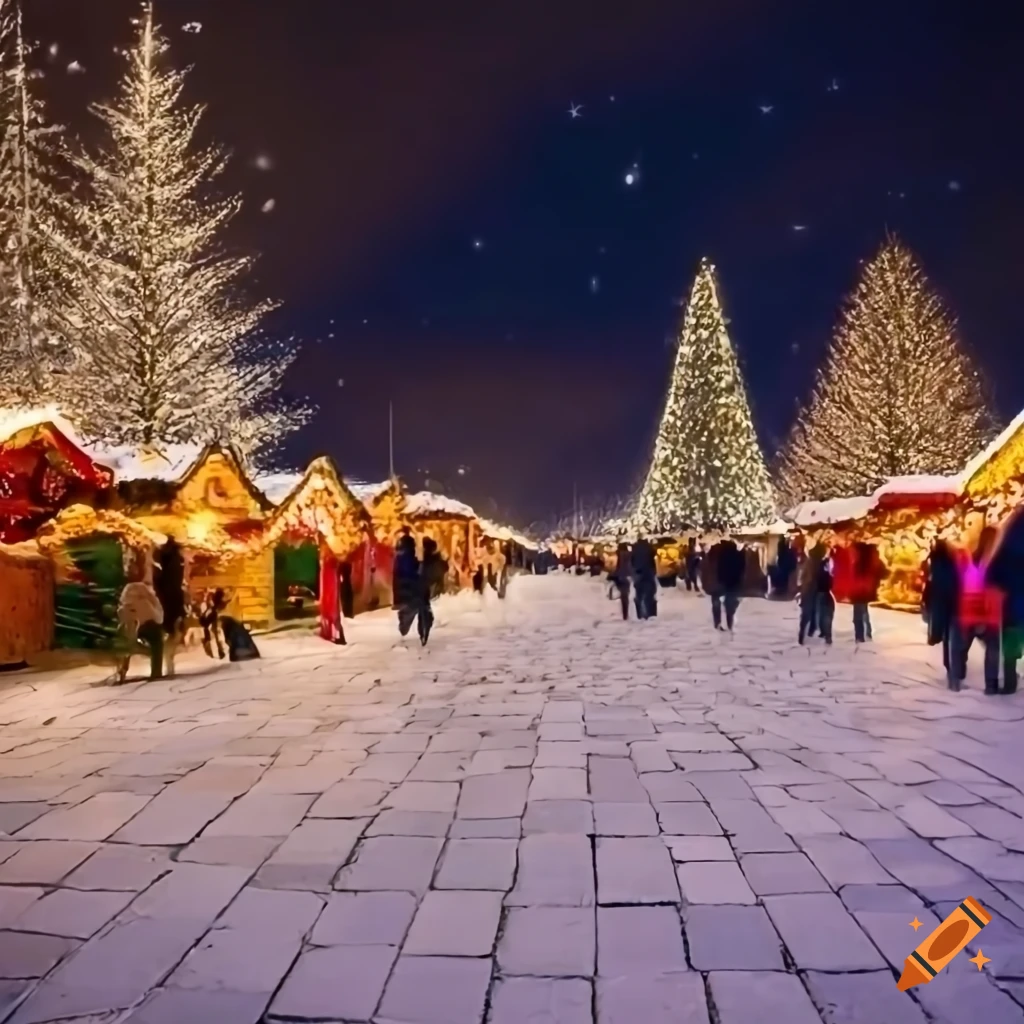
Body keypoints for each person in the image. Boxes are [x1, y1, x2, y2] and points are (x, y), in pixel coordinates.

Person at [949, 527, 1002, 693]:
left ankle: (956, 680)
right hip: (986, 612)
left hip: (967, 611)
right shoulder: (995, 563)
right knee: (992, 650)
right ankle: (991, 686)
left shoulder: (969, 558)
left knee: (960, 648)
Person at [987, 508, 1024, 695]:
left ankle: (1010, 681)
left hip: (1013, 603)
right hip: (1016, 601)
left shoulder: (1008, 545)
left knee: (1010, 641)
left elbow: (994, 572)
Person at [114, 559, 164, 684]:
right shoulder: (143, 589)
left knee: (127, 641)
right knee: (157, 640)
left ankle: (123, 668)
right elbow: (155, 606)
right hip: (146, 625)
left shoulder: (125, 591)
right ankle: (156, 671)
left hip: (128, 628)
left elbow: (121, 609)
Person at [153, 537, 187, 678]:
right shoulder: (177, 561)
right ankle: (168, 664)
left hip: (167, 601)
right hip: (173, 601)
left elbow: (159, 579)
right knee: (173, 634)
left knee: (171, 635)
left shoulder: (168, 560)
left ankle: (167, 664)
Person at [924, 540, 958, 672]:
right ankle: (952, 663)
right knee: (951, 632)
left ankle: (947, 661)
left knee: (942, 628)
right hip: (952, 598)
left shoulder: (932, 561)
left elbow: (930, 579)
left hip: (938, 597)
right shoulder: (952, 561)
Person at [849, 542, 887, 643]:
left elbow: (858, 579)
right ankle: (866, 633)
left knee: (858, 616)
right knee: (863, 612)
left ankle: (860, 637)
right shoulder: (868, 560)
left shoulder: (861, 562)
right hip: (865, 591)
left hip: (860, 591)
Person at [393, 529, 421, 638]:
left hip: (402, 582)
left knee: (408, 605)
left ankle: (404, 623)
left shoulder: (399, 556)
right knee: (410, 605)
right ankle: (404, 623)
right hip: (408, 582)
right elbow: (410, 570)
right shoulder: (407, 556)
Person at [419, 537, 447, 645]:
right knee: (427, 612)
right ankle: (425, 634)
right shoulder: (435, 558)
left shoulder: (425, 559)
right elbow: (444, 568)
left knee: (423, 612)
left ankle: (423, 634)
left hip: (423, 588)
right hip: (431, 587)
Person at [798, 542, 828, 642]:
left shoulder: (809, 561)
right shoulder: (819, 563)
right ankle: (811, 631)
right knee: (815, 612)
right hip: (814, 590)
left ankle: (805, 632)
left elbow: (803, 577)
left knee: (808, 613)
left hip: (808, 590)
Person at [717, 538, 745, 632]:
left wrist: (720, 579)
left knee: (728, 602)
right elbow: (743, 566)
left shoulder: (722, 556)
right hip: (736, 581)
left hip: (726, 582)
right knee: (732, 602)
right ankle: (731, 622)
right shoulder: (737, 555)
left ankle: (729, 622)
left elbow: (719, 569)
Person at [631, 535, 658, 619]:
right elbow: (653, 556)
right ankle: (651, 614)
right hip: (649, 573)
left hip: (638, 573)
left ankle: (639, 614)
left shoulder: (634, 548)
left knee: (639, 595)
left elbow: (632, 561)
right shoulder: (649, 547)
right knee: (650, 594)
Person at [199, 588, 228, 659]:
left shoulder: (211, 603)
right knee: (215, 636)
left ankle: (218, 652)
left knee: (215, 636)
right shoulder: (212, 603)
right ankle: (218, 652)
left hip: (209, 620)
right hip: (211, 620)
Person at [613, 541, 633, 620]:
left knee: (623, 596)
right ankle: (626, 613)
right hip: (627, 576)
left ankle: (625, 614)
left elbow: (617, 567)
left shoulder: (618, 555)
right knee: (625, 596)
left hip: (620, 576)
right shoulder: (629, 555)